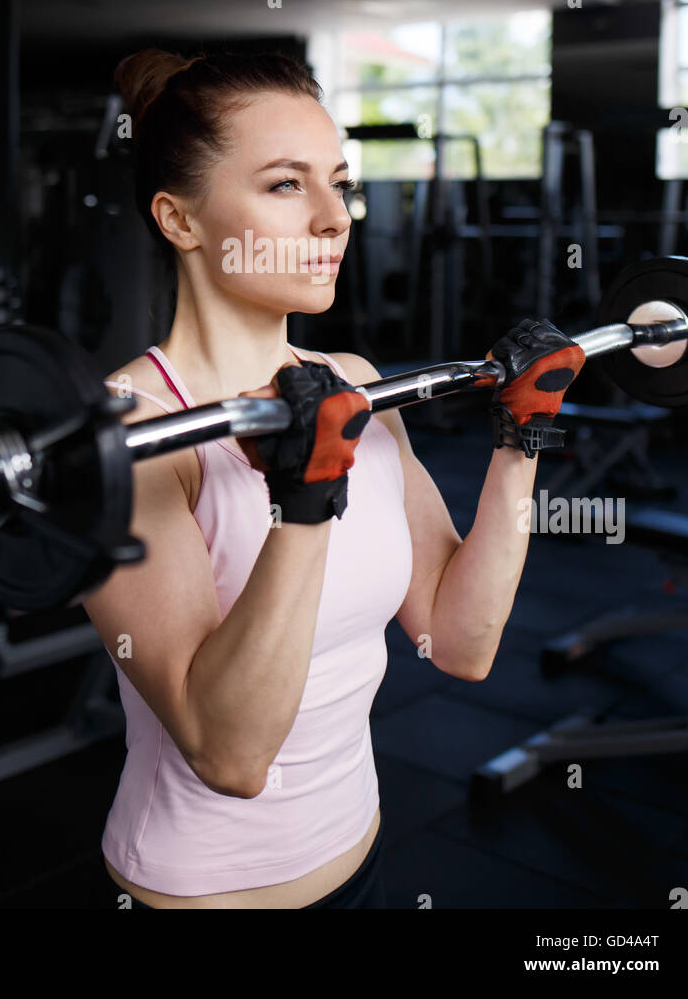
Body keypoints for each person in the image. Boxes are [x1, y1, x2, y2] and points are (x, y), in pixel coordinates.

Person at [81, 48, 585, 910]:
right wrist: (305, 500)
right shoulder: (131, 426)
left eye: (338, 181)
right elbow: (229, 757)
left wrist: (519, 441)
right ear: (180, 219)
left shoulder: (352, 377)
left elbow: (460, 644)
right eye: (285, 185)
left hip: (360, 858)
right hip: (201, 897)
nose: (335, 217)